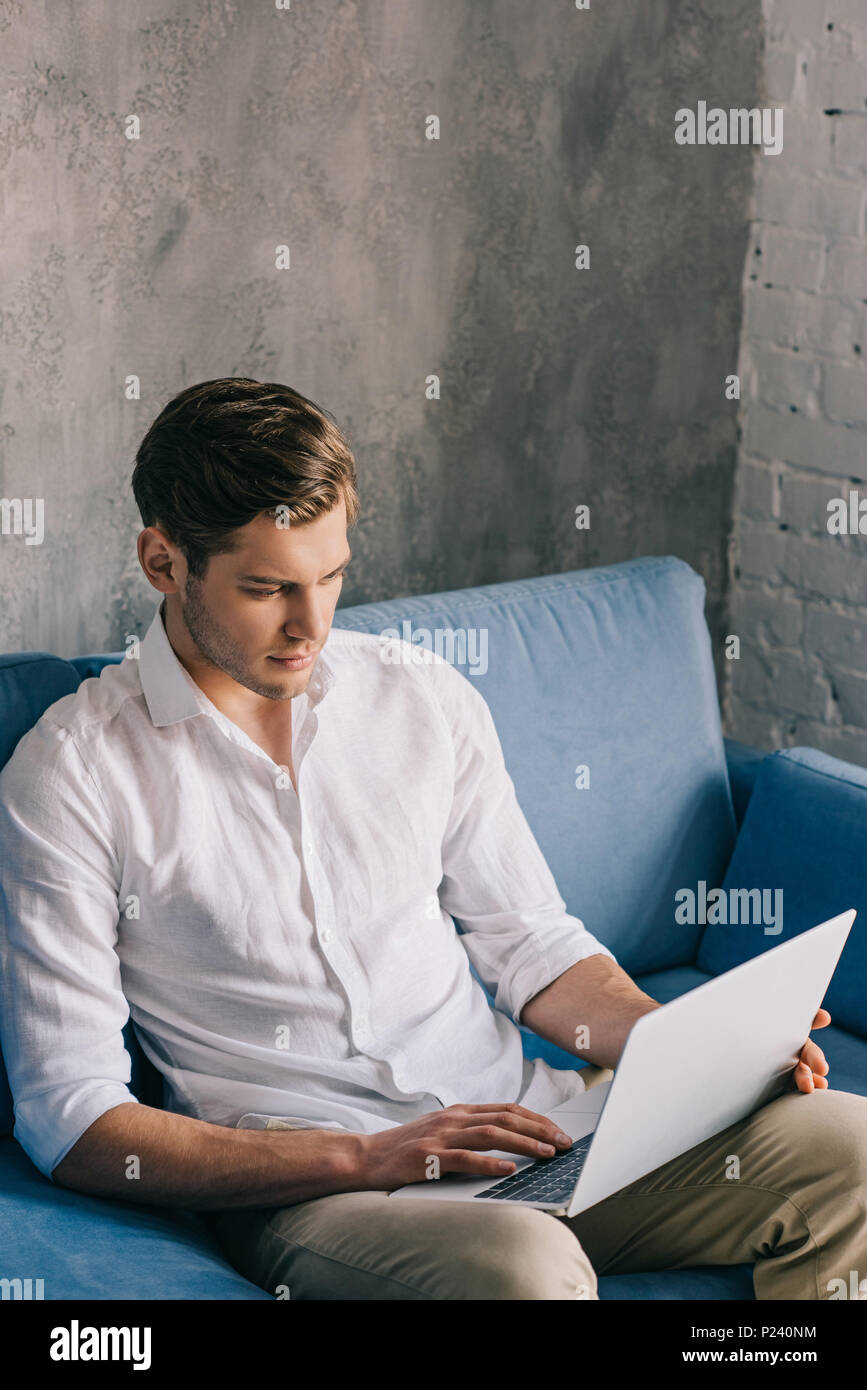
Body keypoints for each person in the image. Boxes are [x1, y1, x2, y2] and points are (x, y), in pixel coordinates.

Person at [0, 378, 864, 1301]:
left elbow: (529, 944)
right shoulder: (74, 776)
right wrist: (370, 1154)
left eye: (331, 576)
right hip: (329, 1189)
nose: (312, 624)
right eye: (267, 589)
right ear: (163, 561)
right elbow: (75, 1119)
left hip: (538, 1131)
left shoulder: (419, 695)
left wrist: (688, 1053)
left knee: (849, 1149)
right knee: (520, 1271)